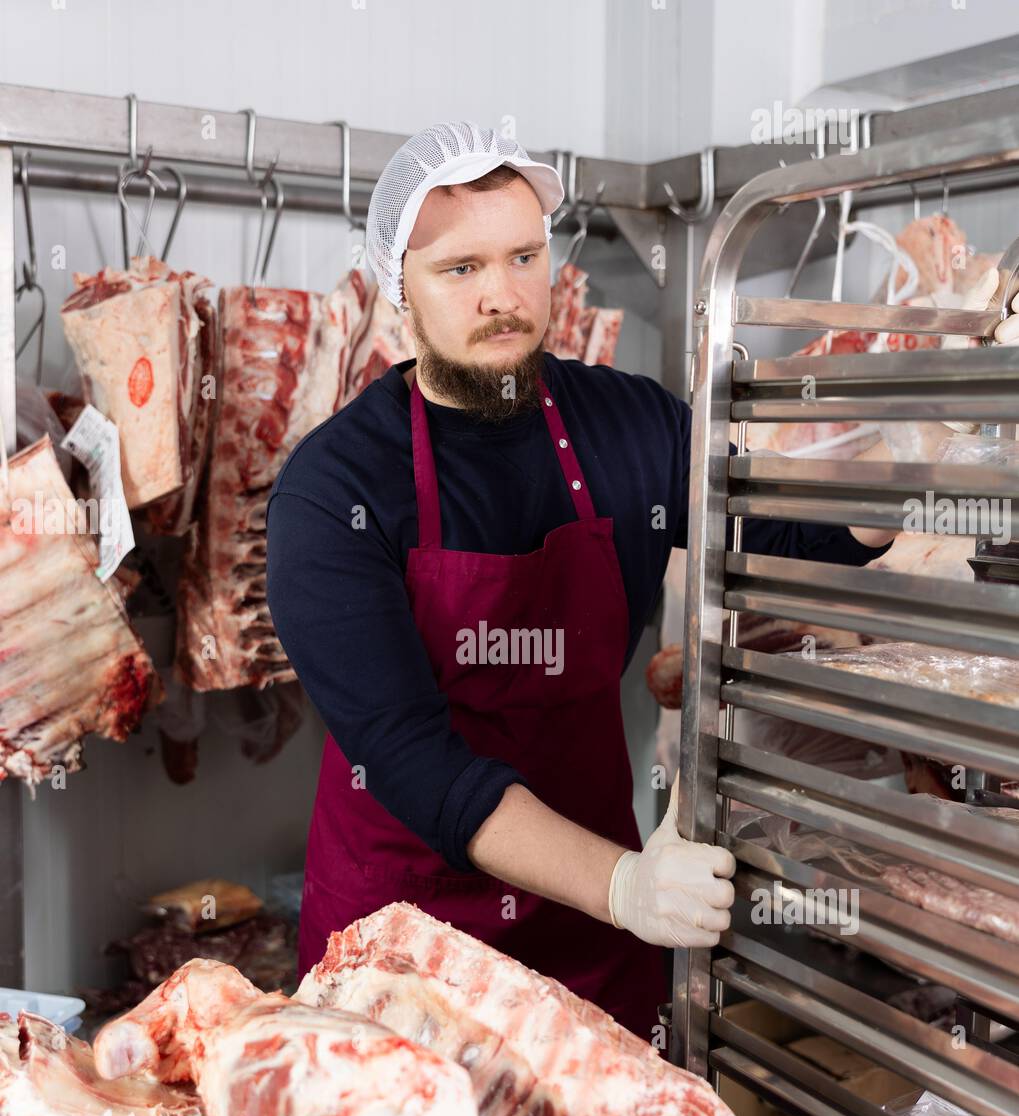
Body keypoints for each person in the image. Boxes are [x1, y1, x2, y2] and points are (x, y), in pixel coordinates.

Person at [265, 121, 897, 1042]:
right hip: (404, 947)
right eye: (460, 269)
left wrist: (908, 457)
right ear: (394, 285)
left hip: (591, 935)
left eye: (524, 257)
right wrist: (625, 882)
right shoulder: (334, 489)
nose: (503, 296)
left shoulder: (629, 425)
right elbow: (408, 757)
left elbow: (797, 532)